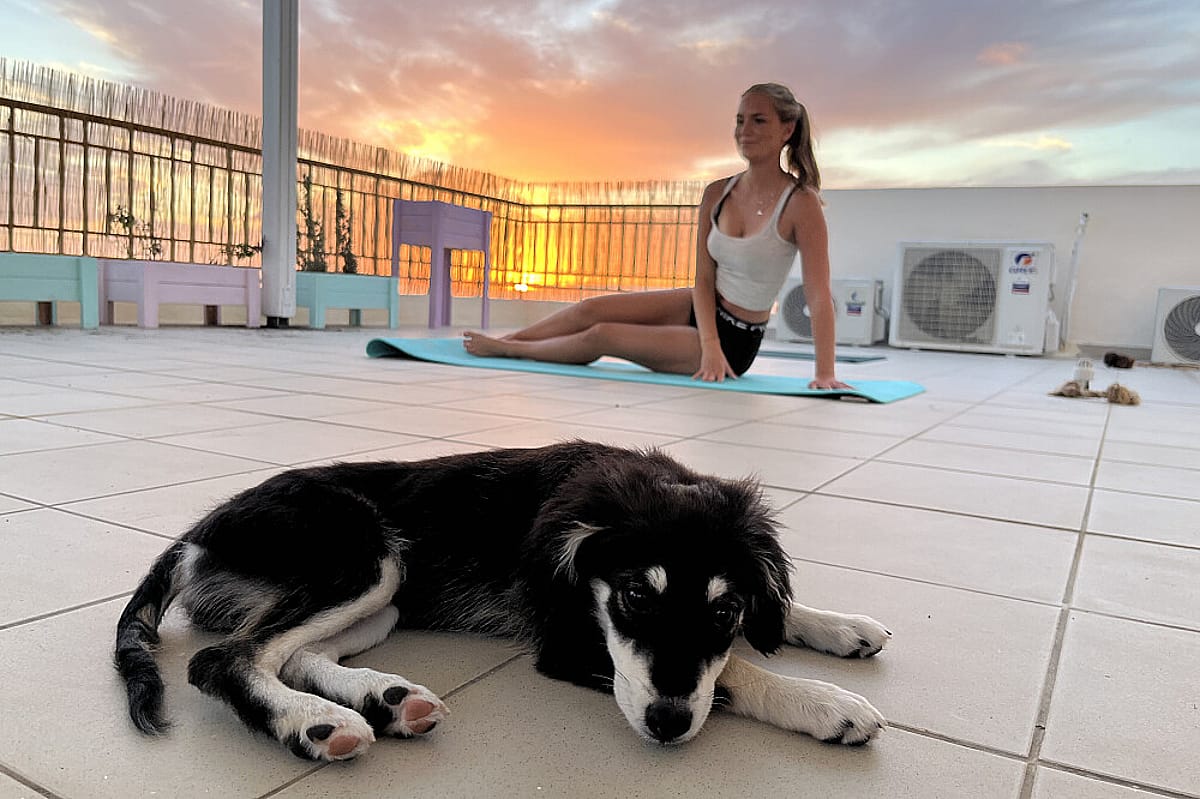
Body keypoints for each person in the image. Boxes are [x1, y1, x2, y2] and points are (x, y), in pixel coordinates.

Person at [463, 82, 852, 389]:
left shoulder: (801, 203)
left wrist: (824, 372)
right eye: (739, 120)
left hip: (735, 340)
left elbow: (817, 296)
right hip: (699, 308)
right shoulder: (717, 192)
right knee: (592, 308)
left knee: (603, 335)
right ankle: (514, 337)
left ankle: (510, 351)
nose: (744, 130)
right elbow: (702, 278)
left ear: (787, 129)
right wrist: (707, 339)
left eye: (758, 120)